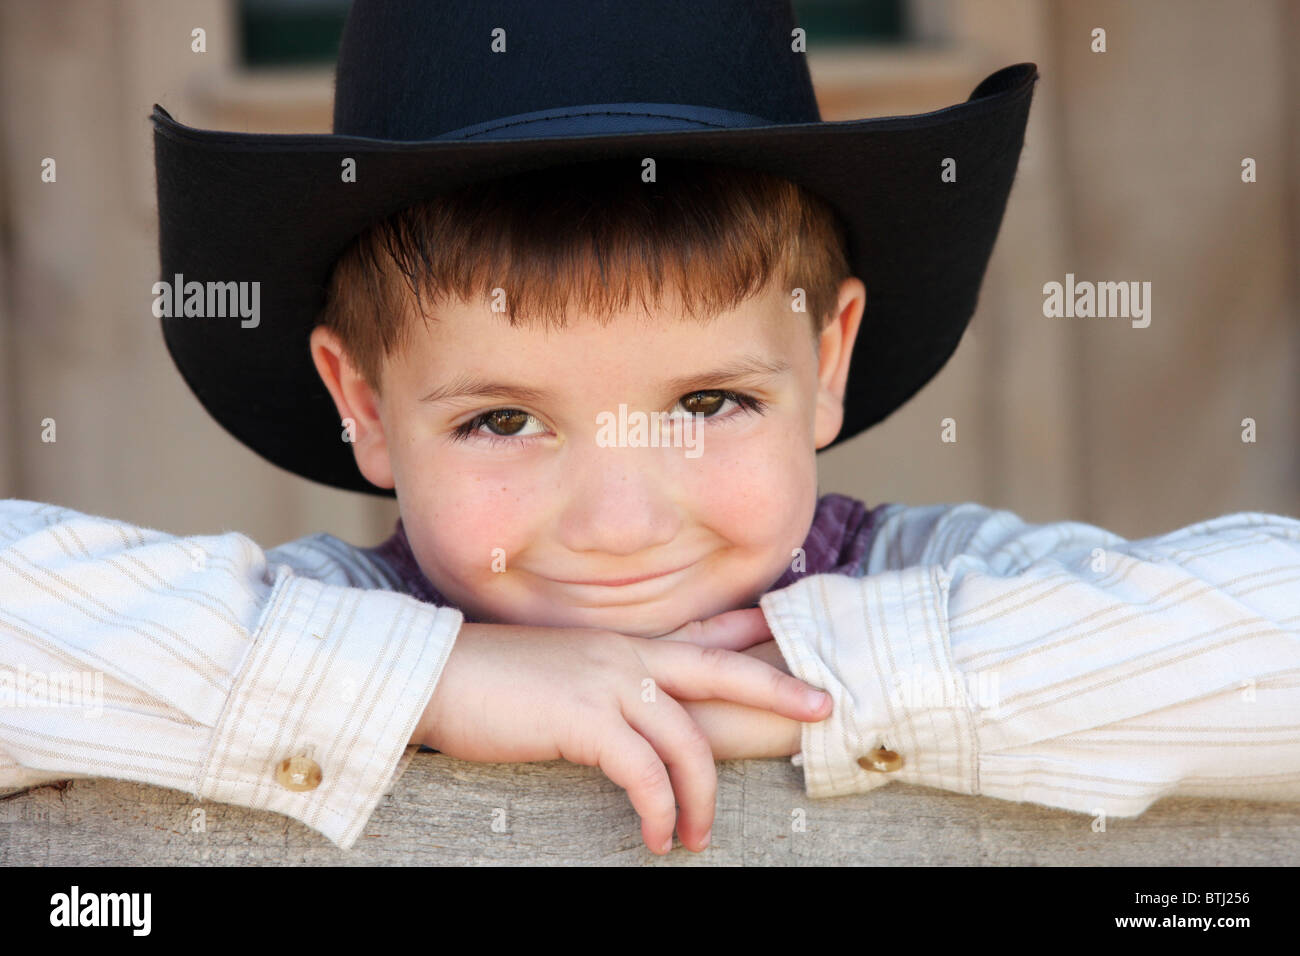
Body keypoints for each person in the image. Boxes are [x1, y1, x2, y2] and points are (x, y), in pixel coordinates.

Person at [4, 0, 1298, 859]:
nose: (620, 524)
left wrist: (825, 684)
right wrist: (430, 680)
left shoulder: (924, 584)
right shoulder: (337, 608)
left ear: (827, 359)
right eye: (503, 419)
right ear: (363, 405)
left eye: (708, 404)